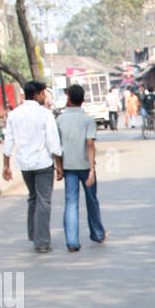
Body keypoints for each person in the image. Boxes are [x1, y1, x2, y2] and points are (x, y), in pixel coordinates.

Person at [1, 80, 63, 253]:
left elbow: (8, 142)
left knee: (33, 197)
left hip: (25, 164)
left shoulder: (14, 114)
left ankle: (34, 233)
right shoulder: (45, 114)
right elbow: (53, 142)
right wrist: (59, 165)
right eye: (43, 93)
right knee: (44, 201)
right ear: (36, 95)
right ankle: (42, 241)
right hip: (43, 163)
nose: (45, 96)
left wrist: (6, 165)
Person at [55, 82, 107, 251]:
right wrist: (92, 169)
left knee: (71, 203)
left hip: (69, 166)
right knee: (92, 200)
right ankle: (98, 233)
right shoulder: (88, 120)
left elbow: (56, 147)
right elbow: (90, 144)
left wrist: (59, 167)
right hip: (86, 166)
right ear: (83, 100)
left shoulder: (60, 119)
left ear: (68, 99)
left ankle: (72, 241)